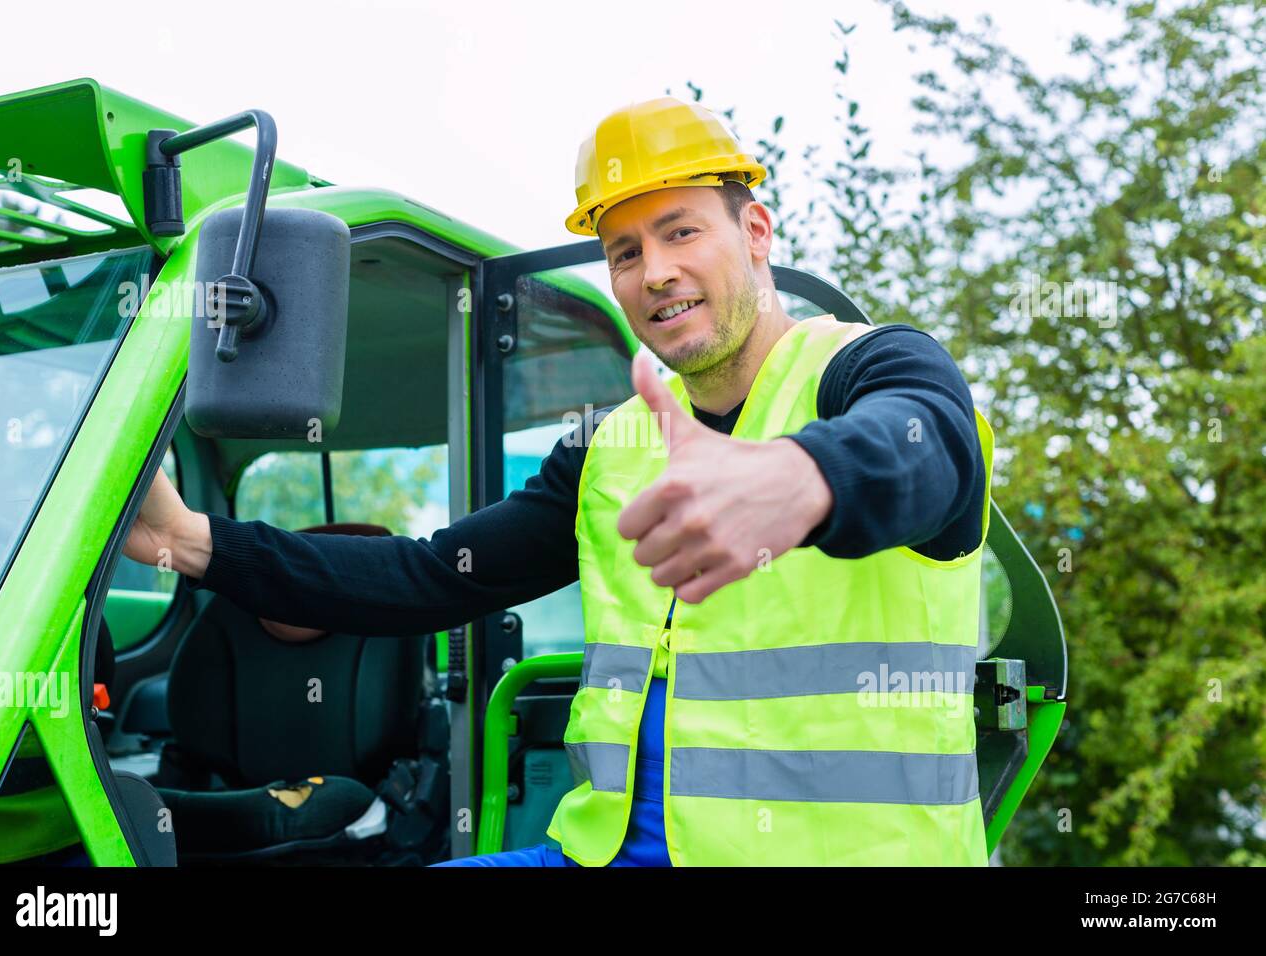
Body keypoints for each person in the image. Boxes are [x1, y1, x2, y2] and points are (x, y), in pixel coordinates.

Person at [125, 96, 994, 866]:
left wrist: (807, 478)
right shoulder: (613, 449)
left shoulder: (869, 369)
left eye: (682, 230)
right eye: (624, 251)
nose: (654, 271)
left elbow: (930, 446)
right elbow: (427, 577)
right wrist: (186, 541)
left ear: (756, 233)